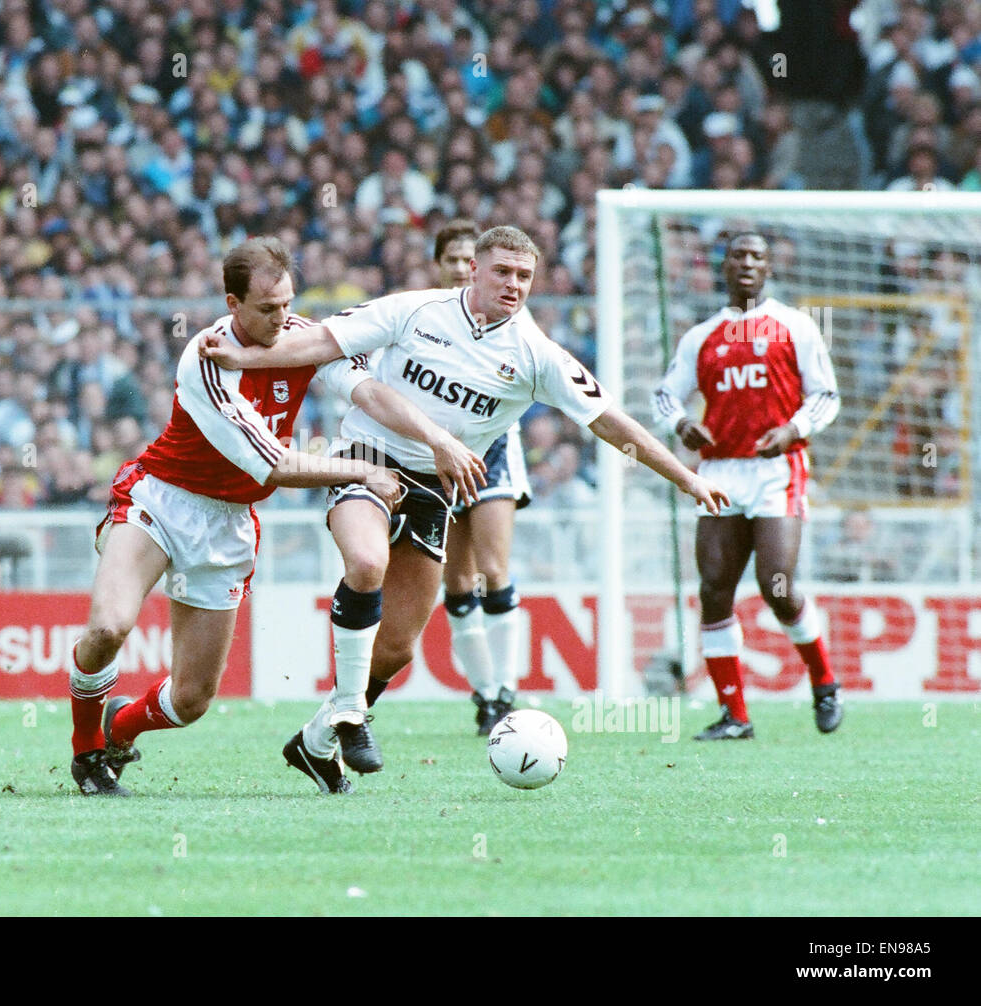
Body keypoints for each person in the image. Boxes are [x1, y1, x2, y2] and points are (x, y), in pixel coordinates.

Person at [203, 225, 729, 792]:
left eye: (524, 276)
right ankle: (352, 715)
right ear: (473, 269)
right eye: (502, 271)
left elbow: (609, 421)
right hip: (367, 458)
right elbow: (323, 342)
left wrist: (684, 477)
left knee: (400, 645)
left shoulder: (535, 354)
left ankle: (315, 740)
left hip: (435, 492)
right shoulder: (416, 310)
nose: (513, 284)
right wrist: (244, 356)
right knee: (365, 563)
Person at [72, 237, 482, 797]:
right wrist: (359, 473)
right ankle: (86, 752)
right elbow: (270, 466)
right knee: (109, 628)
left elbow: (366, 391)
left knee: (191, 700)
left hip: (228, 524)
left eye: (288, 304)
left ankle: (118, 727)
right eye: (267, 309)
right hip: (162, 500)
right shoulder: (206, 357)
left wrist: (433, 437)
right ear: (232, 302)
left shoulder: (300, 338)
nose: (281, 319)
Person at [652, 232, 843, 739]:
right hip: (719, 473)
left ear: (769, 268)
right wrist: (683, 427)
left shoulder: (795, 326)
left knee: (776, 585)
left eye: (757, 256)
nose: (746, 263)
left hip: (776, 470)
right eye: (738, 255)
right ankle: (735, 716)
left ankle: (824, 680)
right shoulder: (701, 337)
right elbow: (665, 397)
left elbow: (825, 396)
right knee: (714, 591)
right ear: (724, 266)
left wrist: (792, 430)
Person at [432, 219, 537, 734]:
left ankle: (506, 692)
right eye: (449, 259)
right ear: (441, 266)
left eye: (464, 260)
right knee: (456, 580)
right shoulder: (423, 316)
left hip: (493, 451)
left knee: (494, 569)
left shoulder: (511, 317)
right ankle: (483, 693)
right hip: (435, 458)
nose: (457, 268)